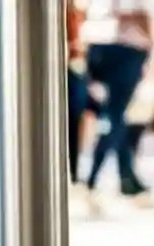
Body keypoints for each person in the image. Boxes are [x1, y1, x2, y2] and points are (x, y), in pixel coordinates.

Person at [81, 0, 154, 213]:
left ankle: (127, 179)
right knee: (115, 117)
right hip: (125, 48)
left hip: (97, 47)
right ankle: (93, 182)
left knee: (114, 117)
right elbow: (150, 17)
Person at [68, 0, 90, 185]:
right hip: (70, 66)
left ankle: (73, 171)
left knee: (75, 119)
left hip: (77, 66)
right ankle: (72, 171)